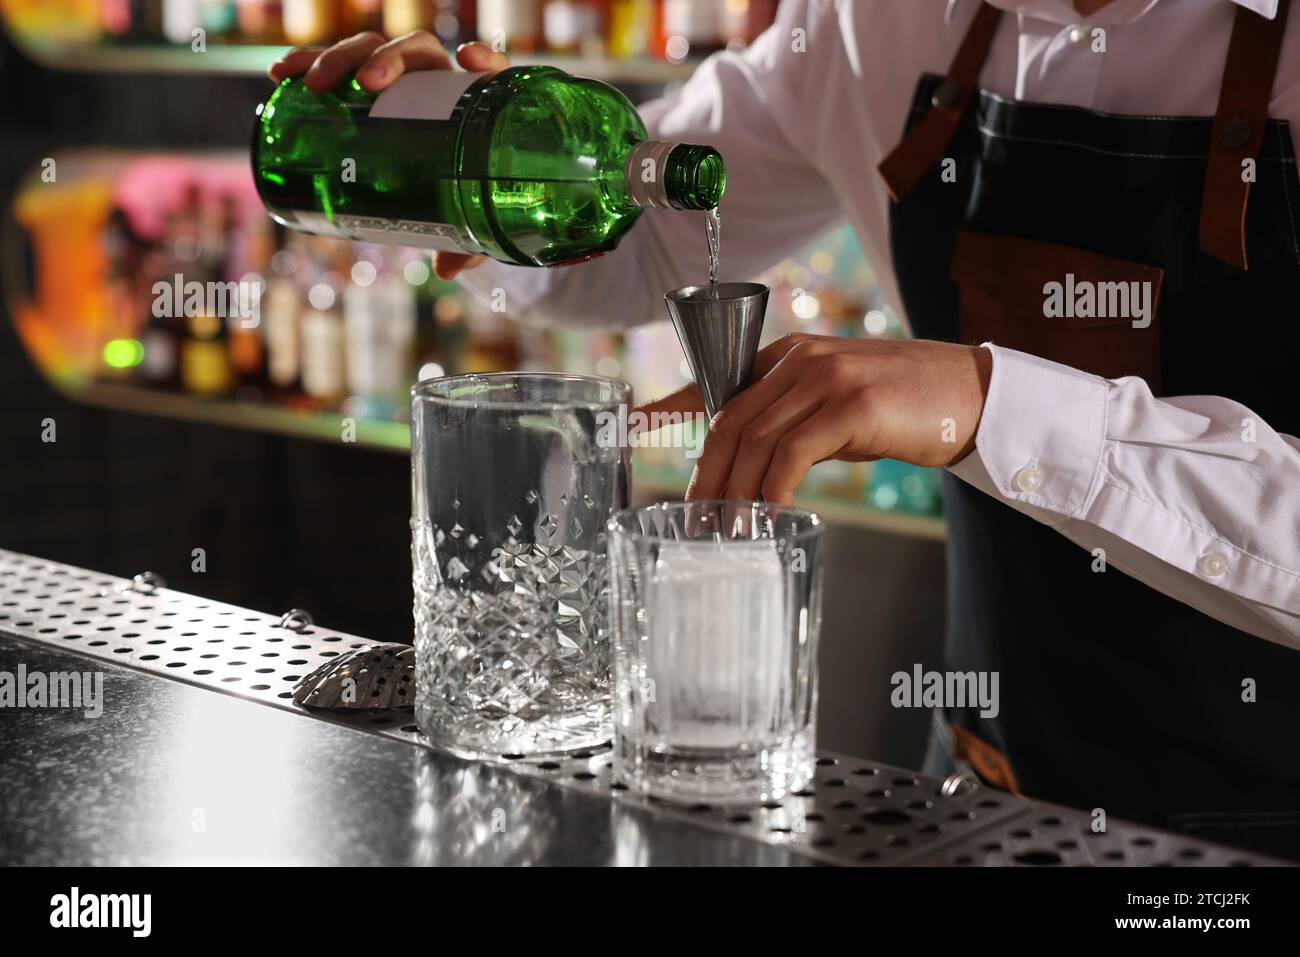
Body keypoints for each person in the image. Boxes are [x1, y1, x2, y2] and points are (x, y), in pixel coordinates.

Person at [271, 0, 1300, 857]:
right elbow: (644, 238)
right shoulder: (879, 21)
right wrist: (433, 160)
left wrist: (986, 405)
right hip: (996, 789)